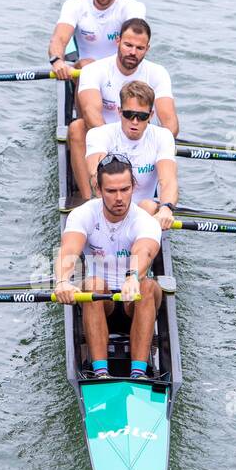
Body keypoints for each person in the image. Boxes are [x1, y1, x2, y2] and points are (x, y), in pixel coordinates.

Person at [55, 155, 164, 379]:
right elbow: (69, 250)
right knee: (94, 283)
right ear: (98, 189)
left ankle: (139, 373)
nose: (119, 198)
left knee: (147, 286)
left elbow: (144, 251)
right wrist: (63, 281)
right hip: (98, 303)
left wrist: (132, 277)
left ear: (134, 186)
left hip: (134, 304)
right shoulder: (83, 215)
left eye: (125, 189)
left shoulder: (145, 221)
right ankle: (100, 374)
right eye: (111, 191)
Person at [69, 18, 178, 198]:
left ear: (147, 49)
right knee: (77, 128)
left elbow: (170, 122)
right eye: (128, 45)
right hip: (103, 133)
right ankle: (89, 199)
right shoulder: (94, 70)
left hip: (141, 134)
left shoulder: (158, 73)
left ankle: (159, 191)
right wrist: (116, 150)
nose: (132, 52)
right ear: (118, 41)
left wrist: (162, 143)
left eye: (139, 48)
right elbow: (90, 112)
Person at [83, 80, 178, 228]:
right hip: (107, 209)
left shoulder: (163, 136)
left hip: (142, 212)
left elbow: (168, 180)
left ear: (151, 115)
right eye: (129, 114)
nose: (134, 121)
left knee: (149, 206)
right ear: (119, 112)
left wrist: (166, 208)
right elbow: (95, 176)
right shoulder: (99, 134)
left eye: (141, 116)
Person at [47, 0, 146, 79]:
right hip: (84, 71)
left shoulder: (133, 7)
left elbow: (136, 40)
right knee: (87, 65)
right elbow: (59, 39)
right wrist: (57, 61)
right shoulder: (74, 5)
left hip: (121, 70)